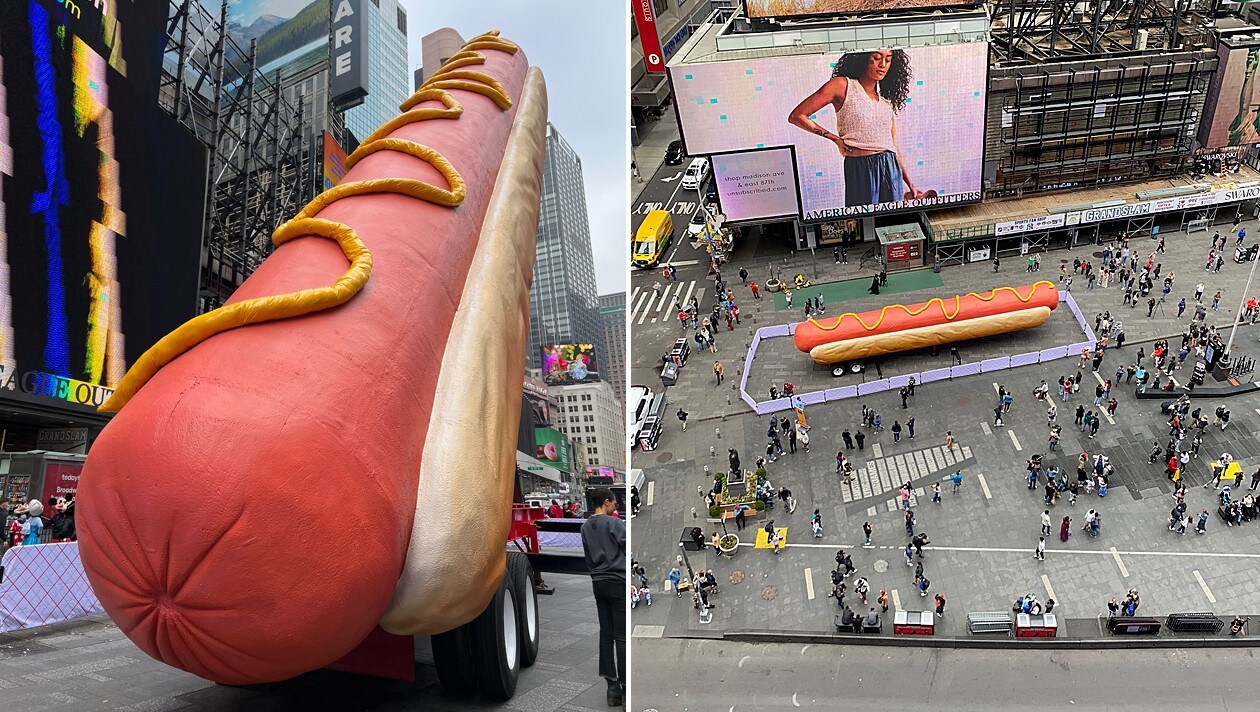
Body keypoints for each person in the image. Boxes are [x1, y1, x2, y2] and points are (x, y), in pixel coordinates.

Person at [789, 49, 925, 206]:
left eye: (888, 60)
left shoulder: (885, 102)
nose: (882, 64)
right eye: (877, 58)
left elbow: (892, 146)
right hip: (860, 168)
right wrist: (835, 139)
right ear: (863, 57)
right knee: (862, 219)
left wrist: (910, 184)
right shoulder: (842, 85)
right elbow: (797, 116)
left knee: (892, 219)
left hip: (891, 167)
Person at [579, 489, 625, 706]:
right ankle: (625, 686)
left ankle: (612, 687)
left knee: (606, 635)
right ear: (606, 502)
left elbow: (588, 558)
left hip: (599, 582)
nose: (615, 507)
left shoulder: (585, 527)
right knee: (621, 636)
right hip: (617, 580)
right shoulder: (614, 523)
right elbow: (626, 548)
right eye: (614, 503)